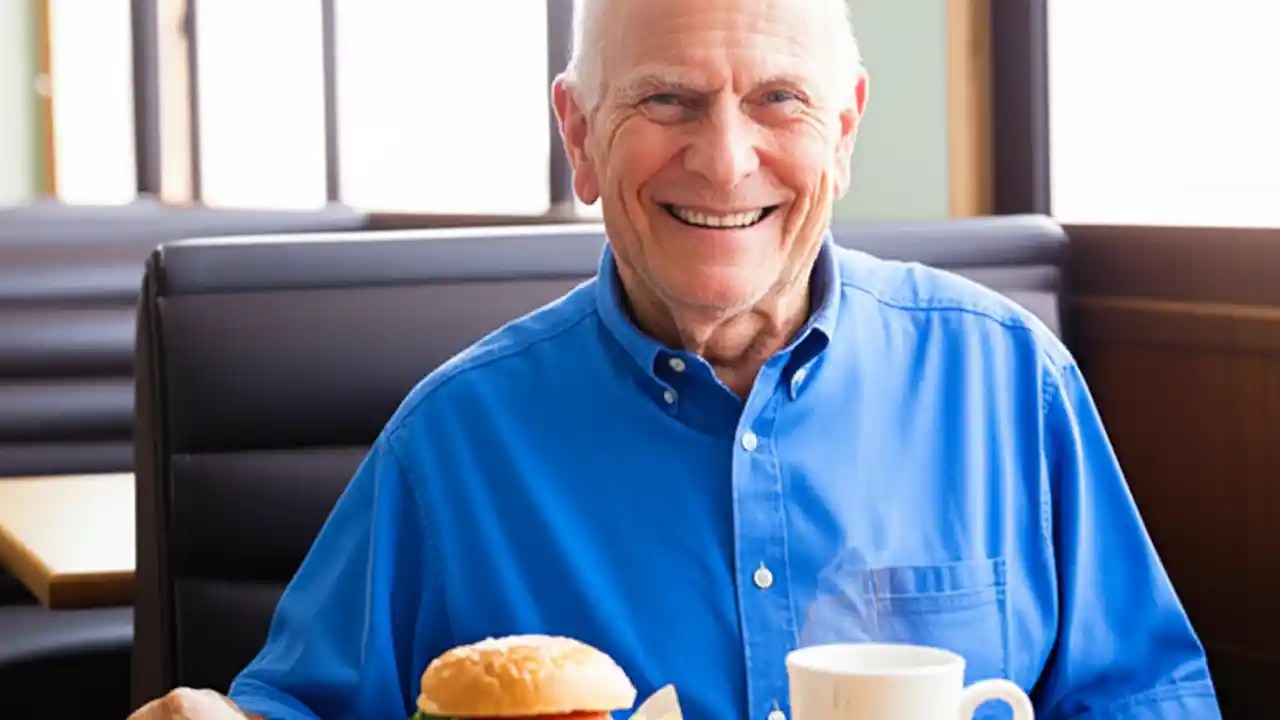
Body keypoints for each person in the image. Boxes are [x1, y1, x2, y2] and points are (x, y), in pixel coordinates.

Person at [139, 0, 1221, 718]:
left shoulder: (1007, 384)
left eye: (777, 100)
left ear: (843, 132)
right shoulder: (451, 442)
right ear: (578, 138)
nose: (723, 158)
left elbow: (1143, 693)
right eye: (666, 99)